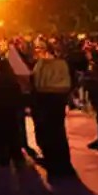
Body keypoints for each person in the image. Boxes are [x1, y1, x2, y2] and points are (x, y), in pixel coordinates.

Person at [31, 43, 74, 179]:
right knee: (57, 131)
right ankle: (60, 163)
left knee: (49, 132)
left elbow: (35, 80)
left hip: (46, 99)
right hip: (56, 99)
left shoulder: (43, 64)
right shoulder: (61, 64)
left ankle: (54, 164)